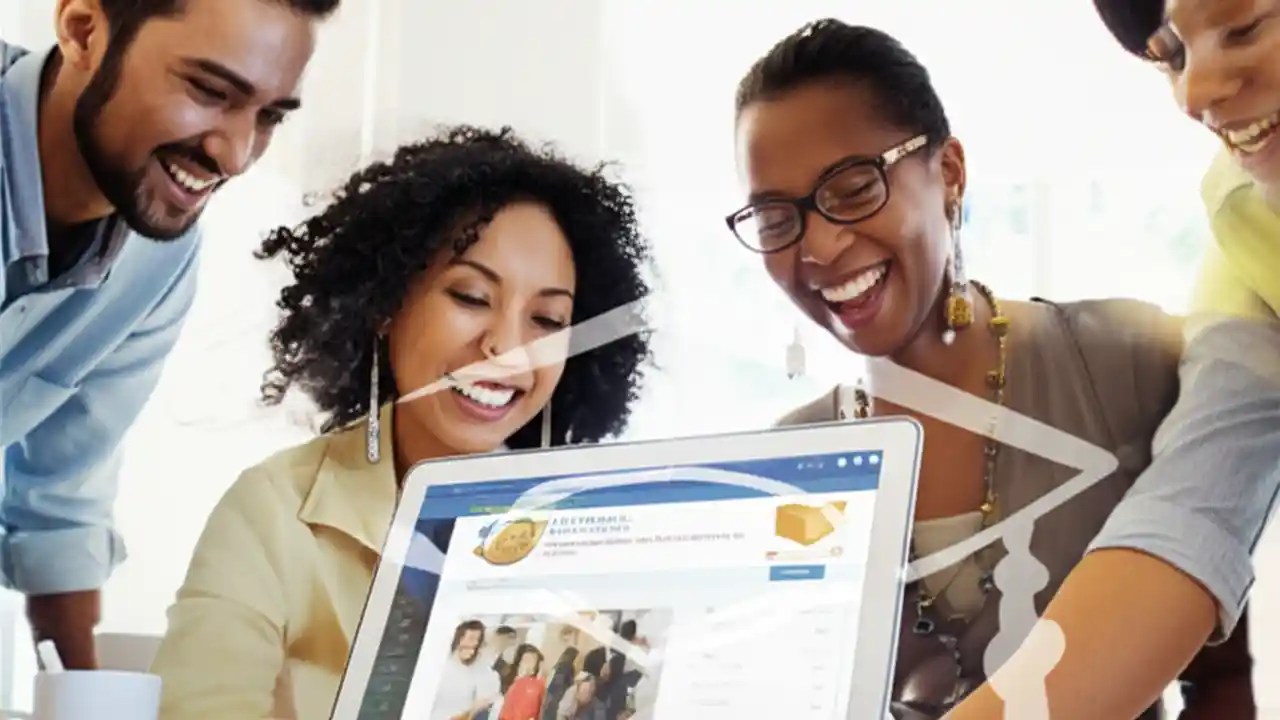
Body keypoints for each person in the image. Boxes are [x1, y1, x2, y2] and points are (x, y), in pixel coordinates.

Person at [728, 19, 1258, 719]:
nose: (818, 247)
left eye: (854, 189)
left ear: (949, 173)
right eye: (774, 219)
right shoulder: (784, 464)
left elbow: (1219, 680)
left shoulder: (1126, 358)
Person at [147, 125, 652, 720]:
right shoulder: (274, 513)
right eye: (469, 296)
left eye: (546, 319)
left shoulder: (600, 525)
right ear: (385, 303)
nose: (508, 349)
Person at [948, 3, 1280, 717]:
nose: (1193, 95)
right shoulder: (1248, 229)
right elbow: (1190, 515)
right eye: (1171, 57)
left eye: (1247, 27)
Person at [0, 0, 337, 669]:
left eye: (268, 115)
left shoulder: (158, 256)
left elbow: (61, 498)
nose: (237, 155)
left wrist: (83, 696)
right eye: (210, 92)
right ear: (83, 30)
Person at [433, 620, 504, 720]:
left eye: (478, 641)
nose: (474, 644)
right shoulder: (441, 668)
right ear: (458, 639)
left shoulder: (470, 674)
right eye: (471, 638)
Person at [500, 643, 548, 720]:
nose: (528, 664)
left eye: (532, 661)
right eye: (525, 660)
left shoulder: (536, 686)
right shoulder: (509, 679)